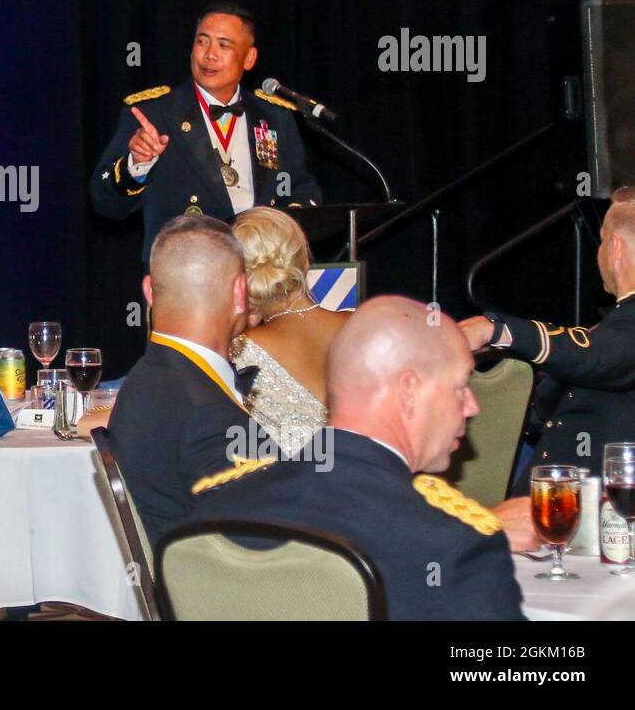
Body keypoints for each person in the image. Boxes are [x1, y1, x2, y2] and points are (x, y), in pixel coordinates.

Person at [187, 296, 525, 620]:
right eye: (460, 386)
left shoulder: (213, 513)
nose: (473, 406)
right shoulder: (454, 546)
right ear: (409, 391)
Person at [90, 3, 322, 262]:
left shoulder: (275, 116)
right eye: (202, 42)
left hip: (261, 271)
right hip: (186, 274)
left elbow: (302, 188)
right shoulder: (154, 113)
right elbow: (105, 203)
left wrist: (280, 228)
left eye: (224, 45)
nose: (209, 55)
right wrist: (136, 166)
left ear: (249, 58)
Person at [106, 214, 275, 549]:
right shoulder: (204, 410)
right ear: (241, 292)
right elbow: (269, 537)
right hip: (237, 594)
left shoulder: (146, 378)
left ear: (148, 292)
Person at [462, 188, 635, 494]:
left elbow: (597, 357)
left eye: (602, 239)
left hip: (591, 518)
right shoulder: (615, 324)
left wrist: (497, 329)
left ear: (615, 249)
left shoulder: (619, 331)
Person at [230, 206, 348, 453]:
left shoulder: (237, 348)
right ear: (305, 262)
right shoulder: (362, 327)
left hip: (286, 489)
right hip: (367, 484)